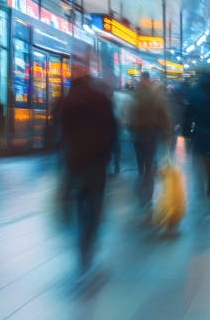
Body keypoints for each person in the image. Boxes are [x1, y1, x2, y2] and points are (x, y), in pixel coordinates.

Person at [59, 72, 116, 276]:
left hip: (75, 160)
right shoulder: (101, 99)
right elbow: (112, 129)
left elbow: (61, 130)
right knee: (95, 202)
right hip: (97, 161)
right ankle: (89, 241)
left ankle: (81, 241)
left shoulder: (67, 100)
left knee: (80, 198)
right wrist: (108, 155)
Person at [128, 72, 172, 211]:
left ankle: (141, 184)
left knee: (140, 162)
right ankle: (148, 189)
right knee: (150, 161)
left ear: (141, 79)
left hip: (137, 134)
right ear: (149, 80)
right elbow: (164, 115)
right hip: (151, 133)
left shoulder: (134, 95)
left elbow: (129, 115)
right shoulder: (155, 96)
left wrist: (131, 127)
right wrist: (167, 131)